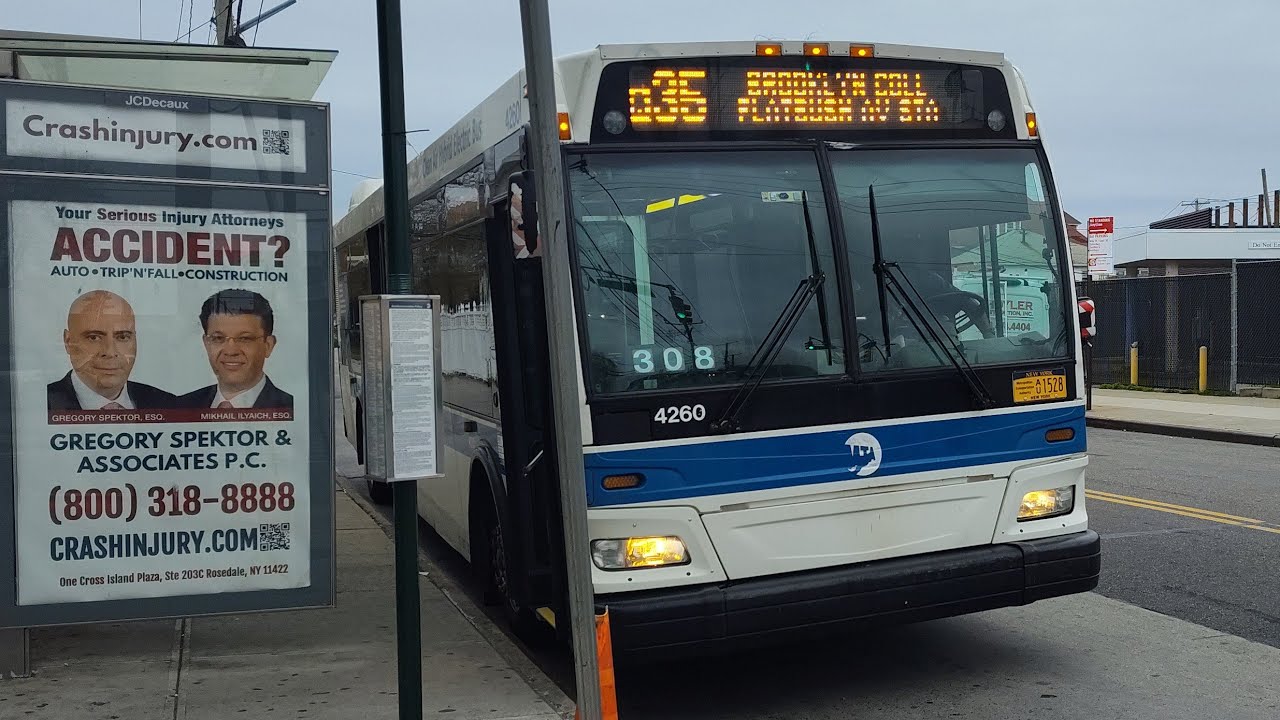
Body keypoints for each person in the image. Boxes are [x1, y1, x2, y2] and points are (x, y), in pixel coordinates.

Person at [47, 290, 176, 412]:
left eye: (122, 337)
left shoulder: (169, 404)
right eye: (94, 337)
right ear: (68, 342)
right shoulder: (39, 404)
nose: (109, 352)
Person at [179, 289, 293, 410]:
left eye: (244, 338)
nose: (231, 351)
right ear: (206, 344)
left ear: (268, 346)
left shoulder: (296, 409)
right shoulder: (181, 407)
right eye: (218, 338)